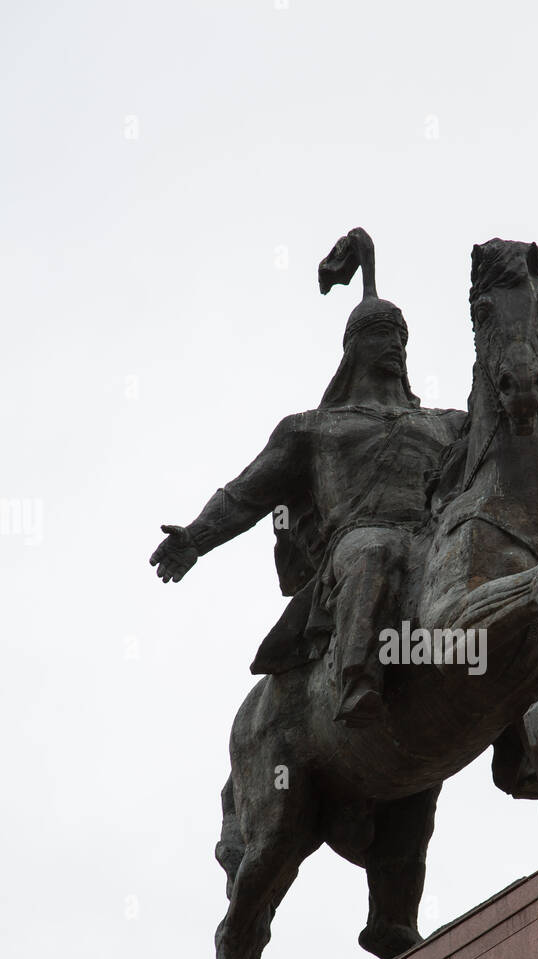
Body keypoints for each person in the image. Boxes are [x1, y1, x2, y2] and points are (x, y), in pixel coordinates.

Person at [149, 229, 466, 724]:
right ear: (356, 347)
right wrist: (195, 537)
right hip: (356, 542)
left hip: (431, 539)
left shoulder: (444, 425)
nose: (398, 347)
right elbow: (245, 495)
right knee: (377, 550)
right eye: (385, 336)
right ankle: (358, 678)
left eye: (403, 338)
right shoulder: (313, 430)